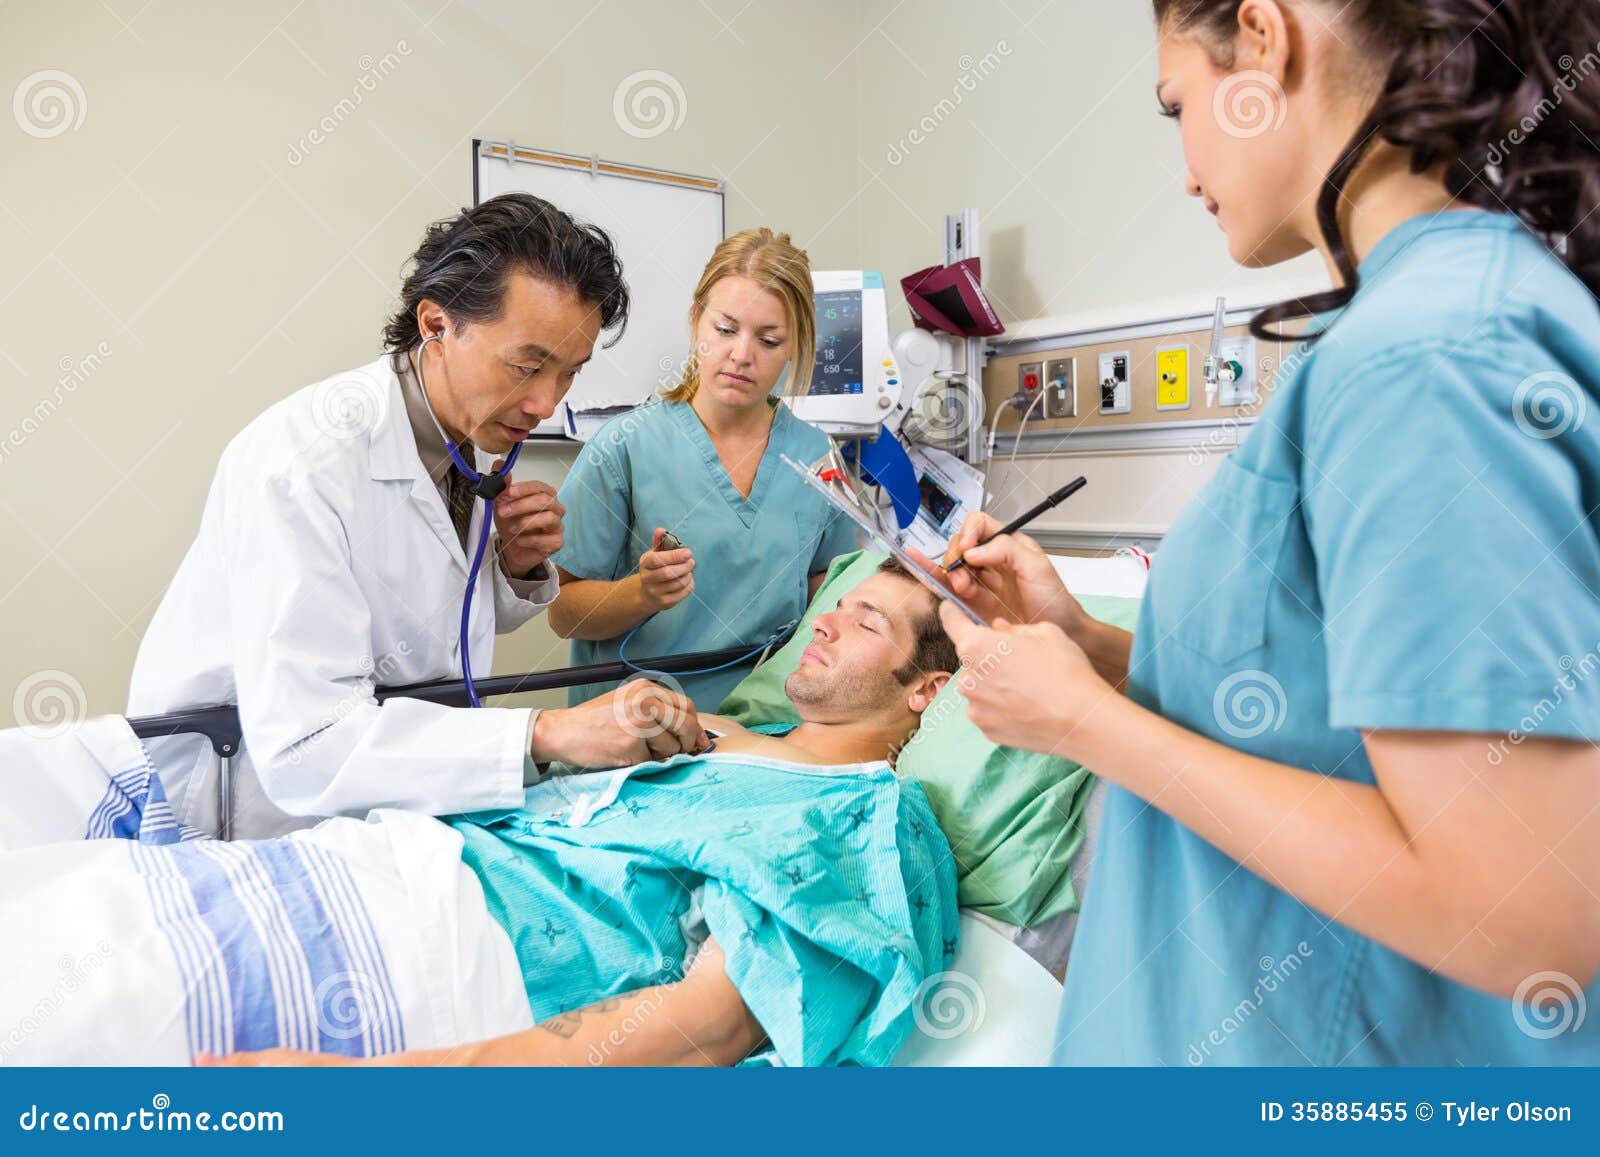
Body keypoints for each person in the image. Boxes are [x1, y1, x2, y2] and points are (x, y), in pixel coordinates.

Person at [924, 0, 1600, 1065]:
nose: (1185, 167)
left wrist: (1084, 726)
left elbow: (1520, 910)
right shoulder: (1421, 327)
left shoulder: (1423, 357)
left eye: (1175, 106)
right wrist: (1090, 647)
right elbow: (1323, 709)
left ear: (1266, 35)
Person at [4, 561, 960, 1068]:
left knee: (84, 1007)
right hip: (373, 862)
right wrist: (602, 723)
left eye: (869, 622)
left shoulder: (869, 821)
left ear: (926, 689)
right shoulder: (702, 732)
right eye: (839, 604)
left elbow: (709, 1027)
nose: (826, 618)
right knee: (73, 896)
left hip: (449, 957)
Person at [129, 194, 705, 841]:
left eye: (569, 373)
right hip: (243, 802)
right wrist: (547, 731)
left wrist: (511, 567)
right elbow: (308, 742)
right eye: (528, 364)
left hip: (386, 790)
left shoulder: (463, 440)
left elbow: (428, 613)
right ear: (436, 324)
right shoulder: (303, 464)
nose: (544, 402)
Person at [547, 229, 856, 710]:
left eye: (769, 340)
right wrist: (641, 594)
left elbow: (827, 597)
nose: (742, 355)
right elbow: (563, 614)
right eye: (726, 330)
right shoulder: (625, 447)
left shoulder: (816, 456)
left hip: (767, 728)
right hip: (639, 732)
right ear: (696, 321)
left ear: (796, 343)